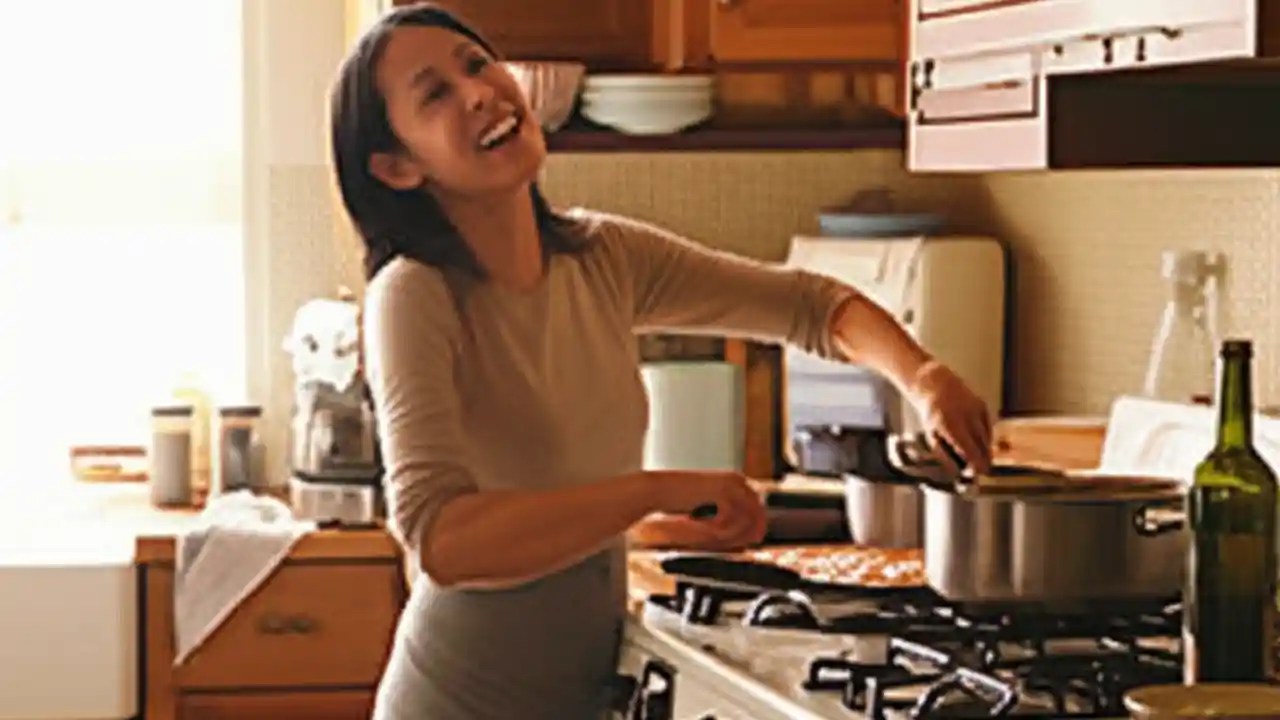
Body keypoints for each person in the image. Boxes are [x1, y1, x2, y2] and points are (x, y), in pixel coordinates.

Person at [329, 4, 992, 718]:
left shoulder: (602, 258)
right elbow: (442, 538)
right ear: (397, 167)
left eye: (476, 64)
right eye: (436, 94)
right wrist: (652, 492)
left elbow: (810, 306)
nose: (478, 92)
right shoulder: (414, 295)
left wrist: (924, 377)